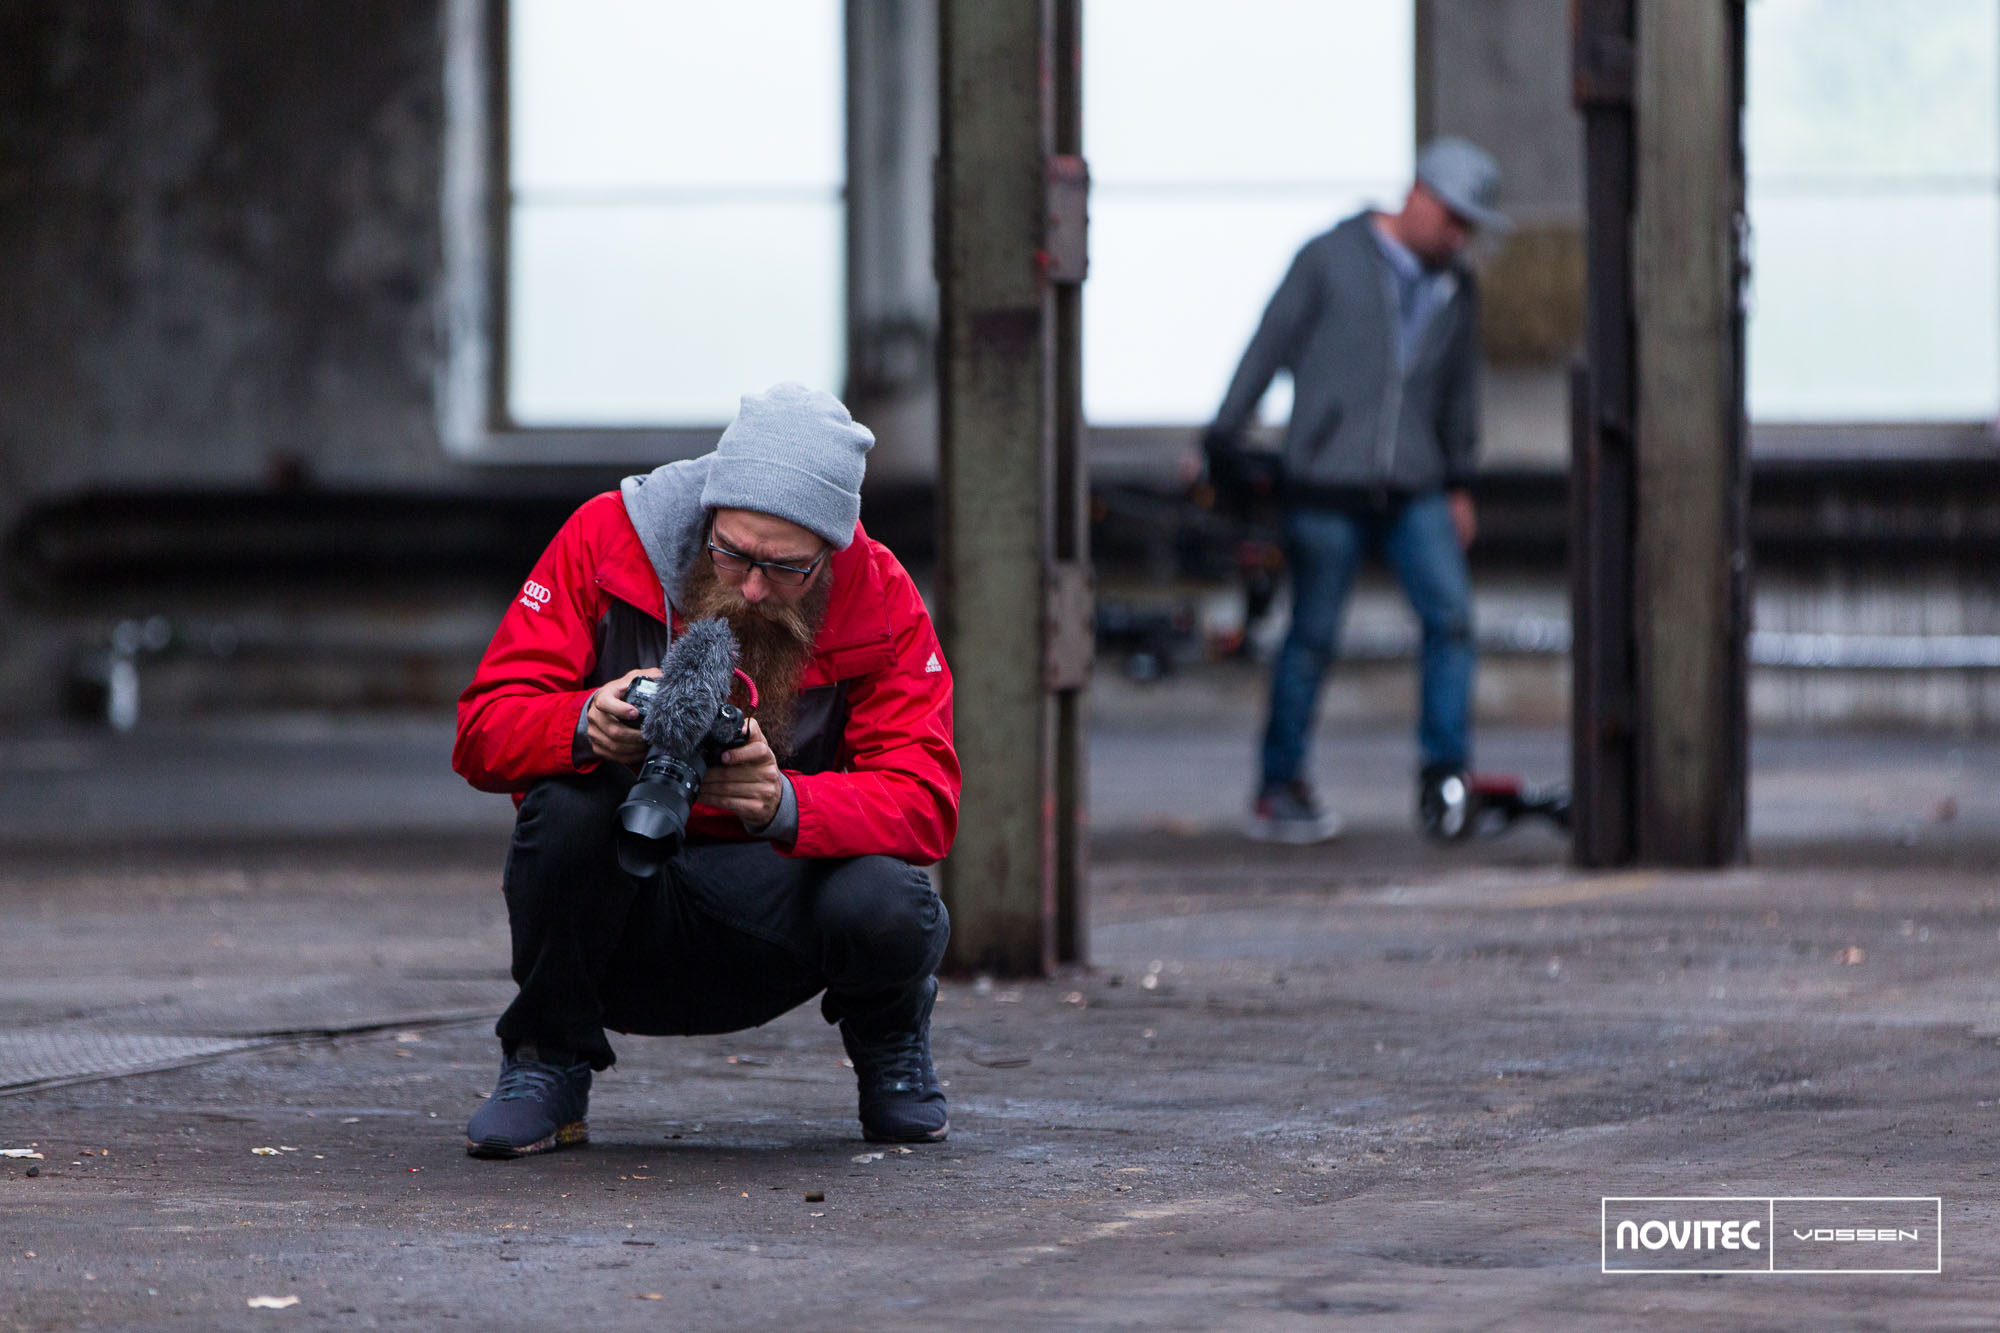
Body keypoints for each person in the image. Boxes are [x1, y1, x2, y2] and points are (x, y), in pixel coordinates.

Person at [452, 383, 959, 1157]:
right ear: (708, 511)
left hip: (776, 894)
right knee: (564, 806)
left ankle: (889, 1037)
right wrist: (583, 722)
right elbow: (481, 727)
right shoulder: (606, 536)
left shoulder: (880, 592)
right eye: (732, 552)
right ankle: (546, 1059)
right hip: (625, 886)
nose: (752, 588)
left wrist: (784, 801)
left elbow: (926, 801)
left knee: (890, 898)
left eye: (786, 569)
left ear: (833, 550)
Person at [1204, 137, 1507, 845]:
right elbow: (1268, 344)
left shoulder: (1457, 287)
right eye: (1454, 217)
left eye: (1471, 225)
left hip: (1416, 484)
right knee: (1310, 636)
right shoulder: (1329, 258)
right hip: (1324, 484)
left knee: (1452, 619)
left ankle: (1445, 778)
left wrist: (1460, 479)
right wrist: (1222, 433)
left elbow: (1460, 392)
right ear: (1418, 195)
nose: (1460, 236)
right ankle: (1280, 785)